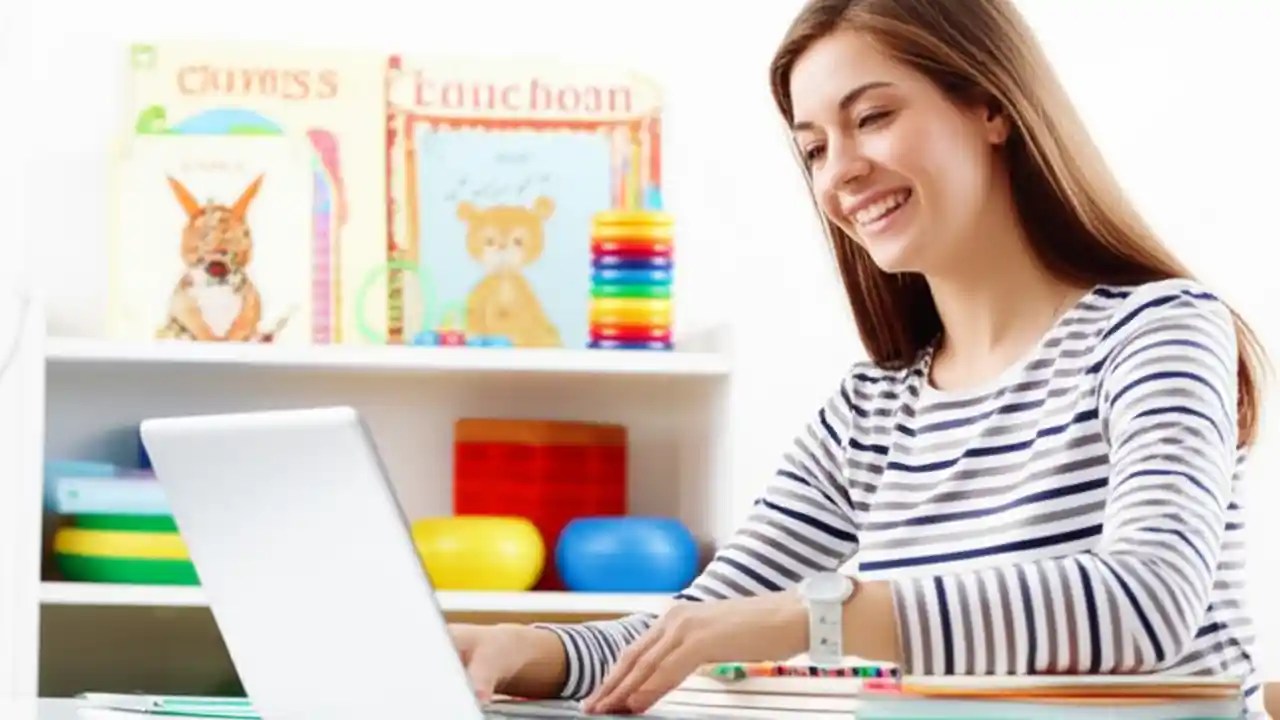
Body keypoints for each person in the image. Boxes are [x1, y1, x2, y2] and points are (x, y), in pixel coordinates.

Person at [448, 0, 1268, 715]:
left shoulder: (1157, 331)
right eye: (812, 149)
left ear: (990, 105)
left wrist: (815, 615)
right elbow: (693, 626)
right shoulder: (873, 414)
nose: (840, 172)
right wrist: (521, 645)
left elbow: (1146, 599)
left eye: (872, 117)